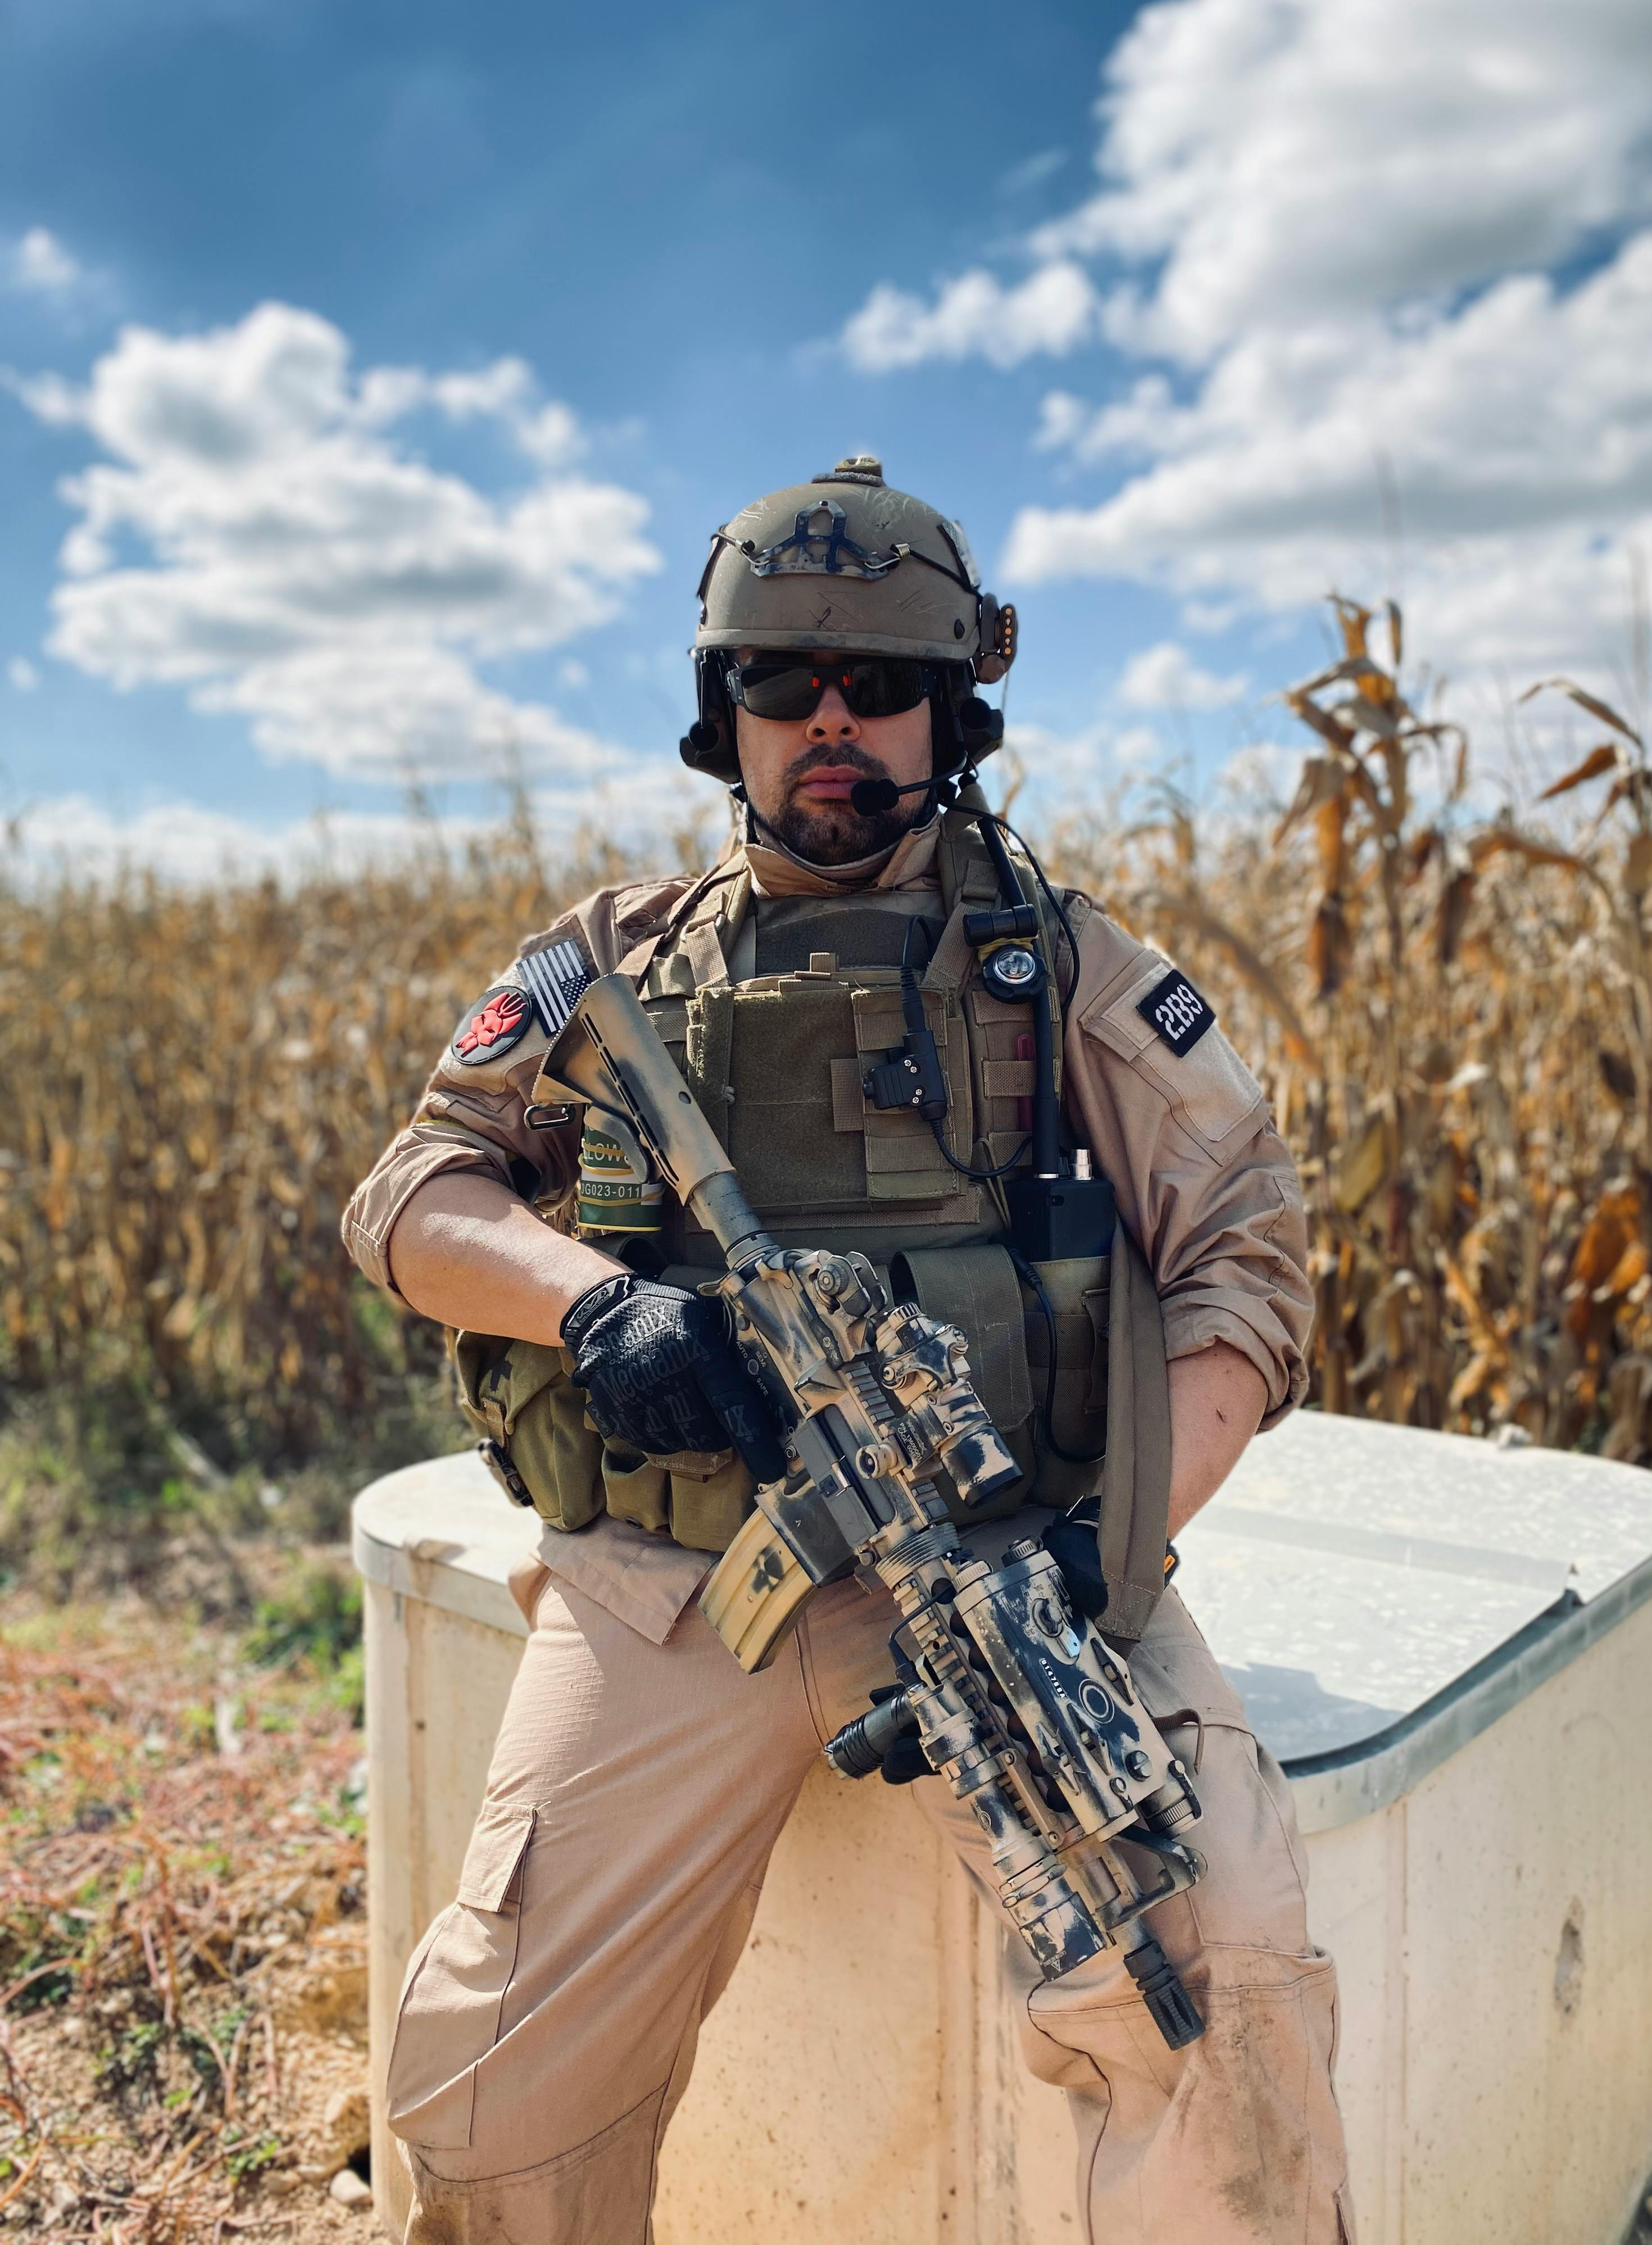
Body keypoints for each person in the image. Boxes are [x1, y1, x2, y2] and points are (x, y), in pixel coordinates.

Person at [343, 457, 1356, 2245]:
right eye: (778, 682)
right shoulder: (610, 968)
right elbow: (415, 1195)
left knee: (1216, 1990)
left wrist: (1093, 1554)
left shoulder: (1066, 972)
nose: (832, 722)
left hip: (1015, 1564)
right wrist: (595, 1302)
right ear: (715, 711)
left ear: (951, 711)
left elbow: (1247, 1264)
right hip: (681, 1584)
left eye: (880, 686)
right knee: (496, 2073)